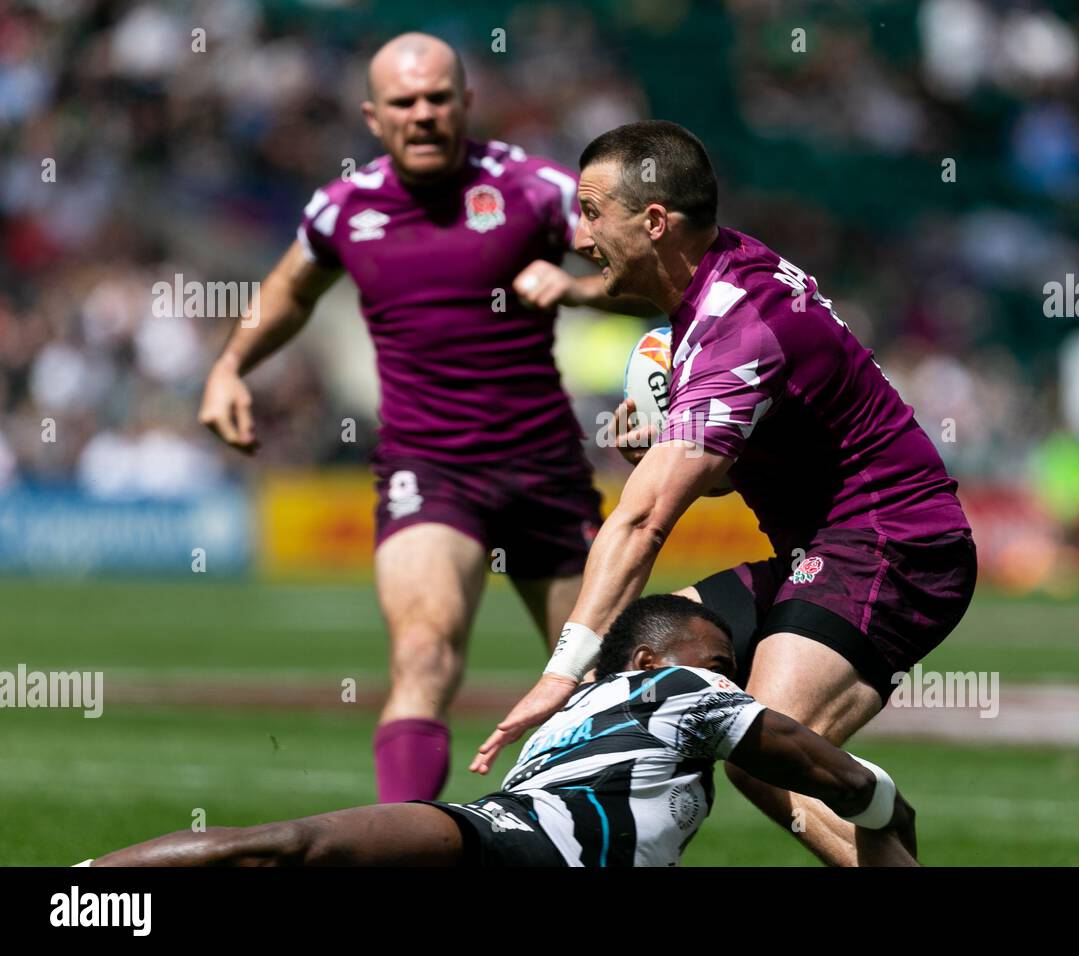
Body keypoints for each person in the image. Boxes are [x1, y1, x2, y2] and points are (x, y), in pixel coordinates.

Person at [472, 121, 977, 867]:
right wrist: (671, 444)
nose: (579, 236)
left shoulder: (736, 326)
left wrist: (558, 673)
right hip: (829, 546)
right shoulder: (723, 274)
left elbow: (644, 521)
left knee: (755, 742)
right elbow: (734, 472)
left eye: (591, 212)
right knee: (637, 670)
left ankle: (877, 809)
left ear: (652, 220)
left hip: (894, 546)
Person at [197, 34, 653, 804]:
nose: (423, 113)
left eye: (438, 97)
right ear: (373, 117)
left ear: (466, 103)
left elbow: (649, 269)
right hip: (427, 470)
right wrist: (228, 367)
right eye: (404, 102)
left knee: (603, 683)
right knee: (423, 652)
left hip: (546, 470)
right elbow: (288, 290)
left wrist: (577, 289)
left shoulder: (537, 189)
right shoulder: (344, 208)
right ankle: (401, 844)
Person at [85, 596, 916, 868]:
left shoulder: (573, 715)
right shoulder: (681, 686)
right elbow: (828, 772)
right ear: (650, 656)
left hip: (484, 830)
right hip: (523, 848)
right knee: (282, 850)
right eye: (719, 657)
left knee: (282, 849)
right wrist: (884, 806)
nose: (727, 673)